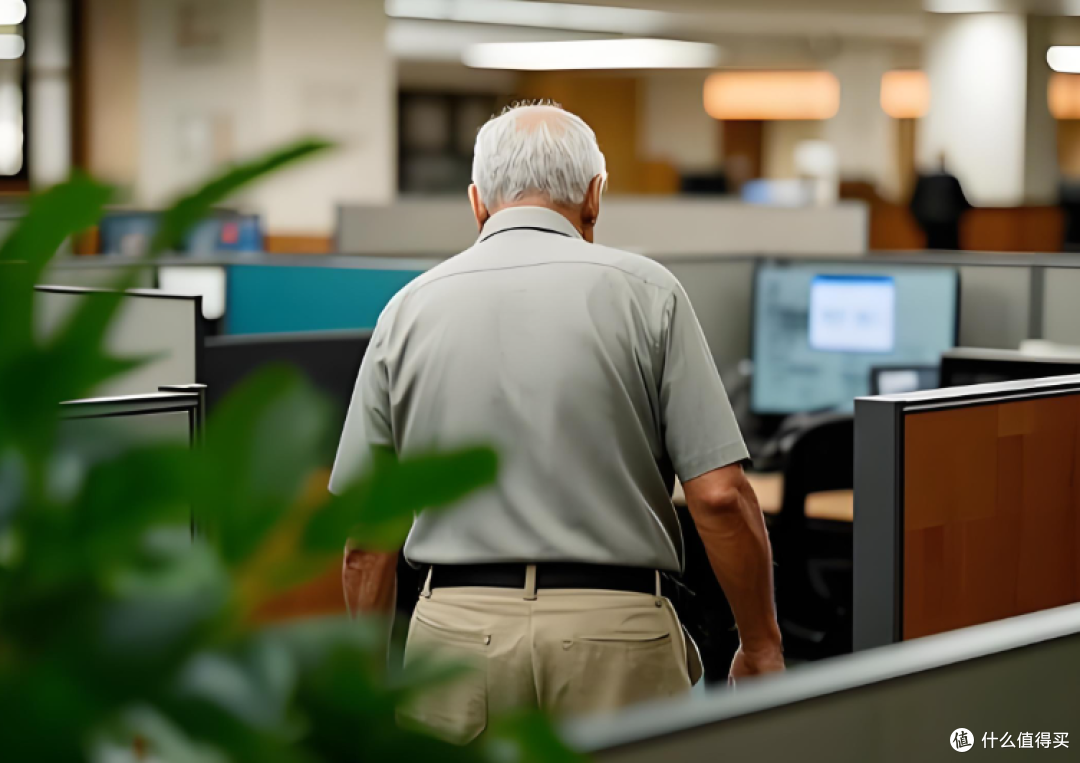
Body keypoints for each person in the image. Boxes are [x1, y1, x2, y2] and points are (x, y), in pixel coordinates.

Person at [330, 103, 783, 743]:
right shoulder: (649, 293)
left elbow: (365, 540)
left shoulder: (407, 310)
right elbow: (717, 496)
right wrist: (760, 647)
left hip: (453, 640)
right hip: (614, 633)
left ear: (477, 202)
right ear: (594, 197)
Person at [909, 152, 971, 250]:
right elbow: (963, 203)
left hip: (935, 225)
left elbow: (913, 204)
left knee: (934, 251)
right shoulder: (950, 180)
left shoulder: (928, 180)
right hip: (945, 225)